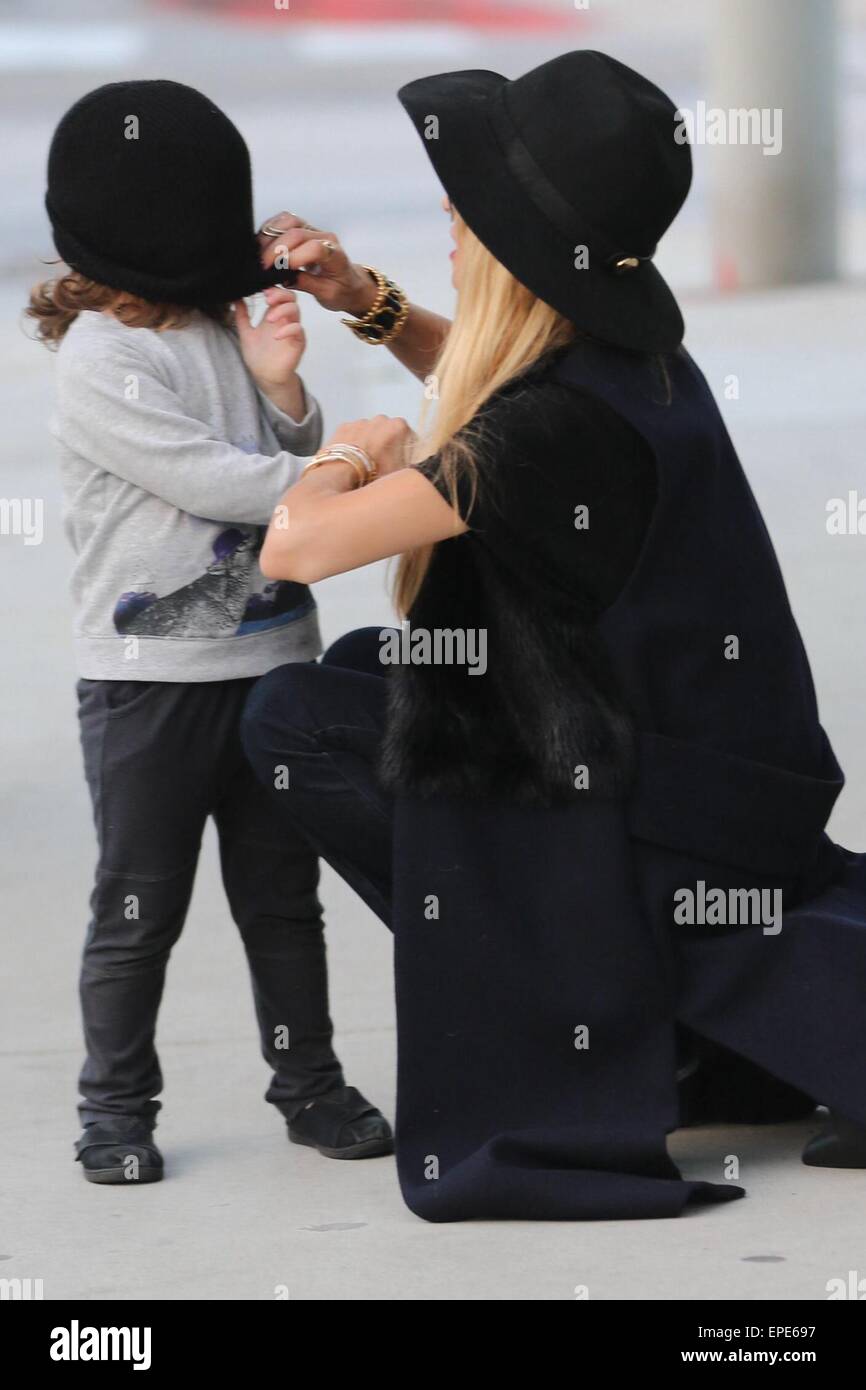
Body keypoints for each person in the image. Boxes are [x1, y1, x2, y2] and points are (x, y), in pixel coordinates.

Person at [242, 50, 866, 1221]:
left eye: (463, 210)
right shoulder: (623, 352)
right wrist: (366, 302)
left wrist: (348, 455)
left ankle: (562, 995)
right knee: (364, 675)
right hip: (710, 767)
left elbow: (299, 547)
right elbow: (505, 401)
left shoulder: (541, 436)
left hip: (649, 803)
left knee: (290, 720)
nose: (447, 215)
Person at [30, 79, 391, 1184]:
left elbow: (278, 441)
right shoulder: (103, 356)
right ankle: (115, 1108)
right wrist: (346, 469)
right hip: (151, 679)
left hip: (269, 656)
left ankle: (309, 1084)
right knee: (140, 907)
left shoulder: (222, 323)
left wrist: (285, 390)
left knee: (283, 900)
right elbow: (219, 481)